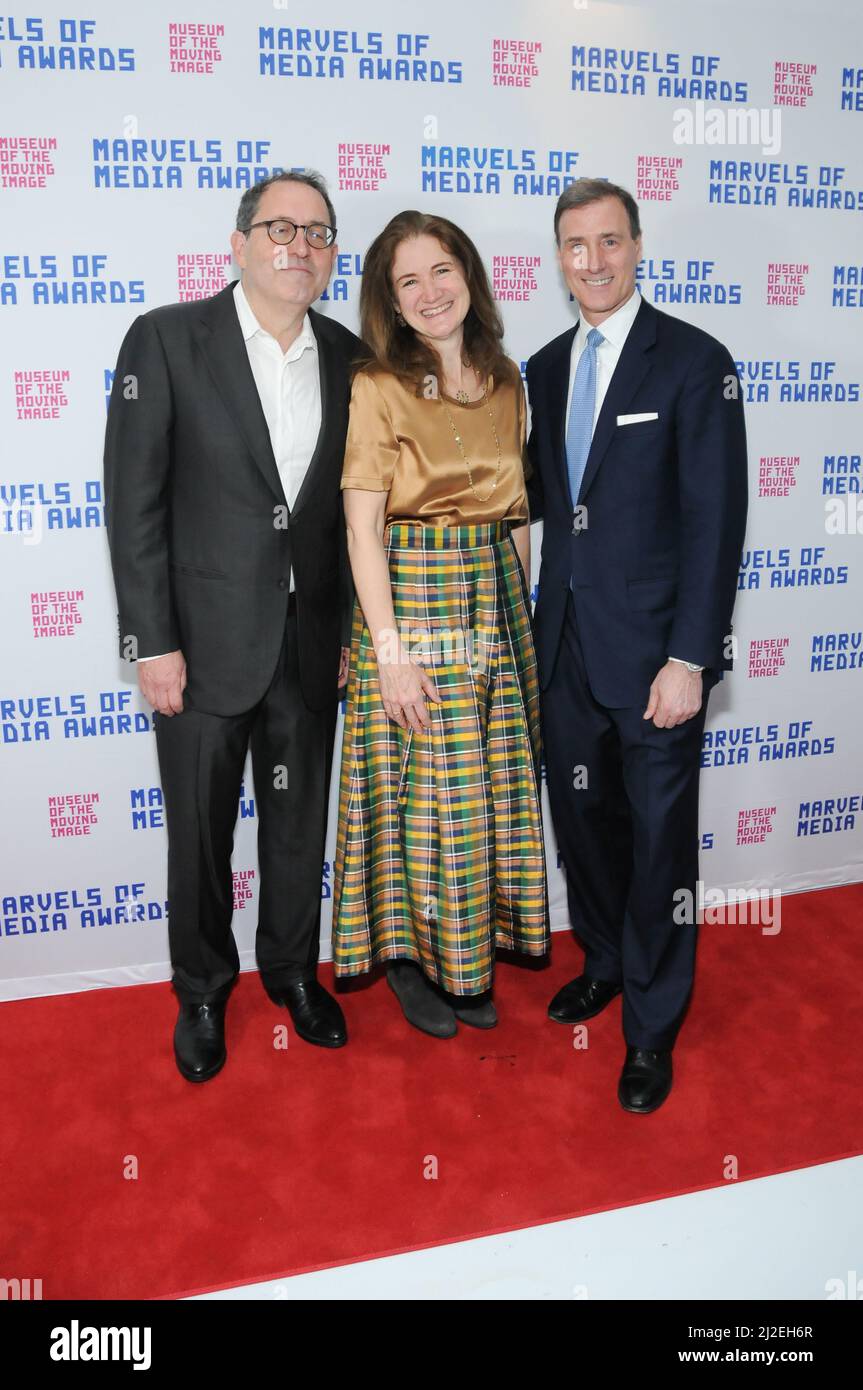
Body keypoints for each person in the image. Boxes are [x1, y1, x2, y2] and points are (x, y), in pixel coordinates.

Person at [104, 170, 362, 1081]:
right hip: (201, 644)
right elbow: (134, 506)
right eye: (280, 227)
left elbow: (351, 513)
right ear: (240, 242)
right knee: (200, 834)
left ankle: (292, 970)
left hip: (309, 642)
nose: (300, 245)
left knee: (298, 825)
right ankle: (204, 990)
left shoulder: (349, 355)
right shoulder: (169, 339)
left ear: (333, 255)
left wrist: (348, 634)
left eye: (319, 232)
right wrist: (153, 640)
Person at [526, 178, 747, 1112]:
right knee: (584, 827)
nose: (593, 261)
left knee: (659, 846)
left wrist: (690, 659)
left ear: (638, 244)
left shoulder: (694, 360)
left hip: (657, 658)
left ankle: (651, 1028)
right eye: (575, 246)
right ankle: (608, 960)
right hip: (564, 648)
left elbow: (715, 519)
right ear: (558, 258)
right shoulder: (540, 366)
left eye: (609, 241)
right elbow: (539, 512)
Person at [332, 210, 549, 1037]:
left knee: (487, 788)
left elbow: (519, 510)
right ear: (390, 300)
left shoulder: (505, 378)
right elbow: (362, 527)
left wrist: (518, 614)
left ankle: (470, 952)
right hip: (413, 596)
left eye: (442, 271)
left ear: (470, 275)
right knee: (424, 793)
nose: (429, 293)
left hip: (494, 591)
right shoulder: (378, 385)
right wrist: (387, 652)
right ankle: (409, 960)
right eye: (407, 281)